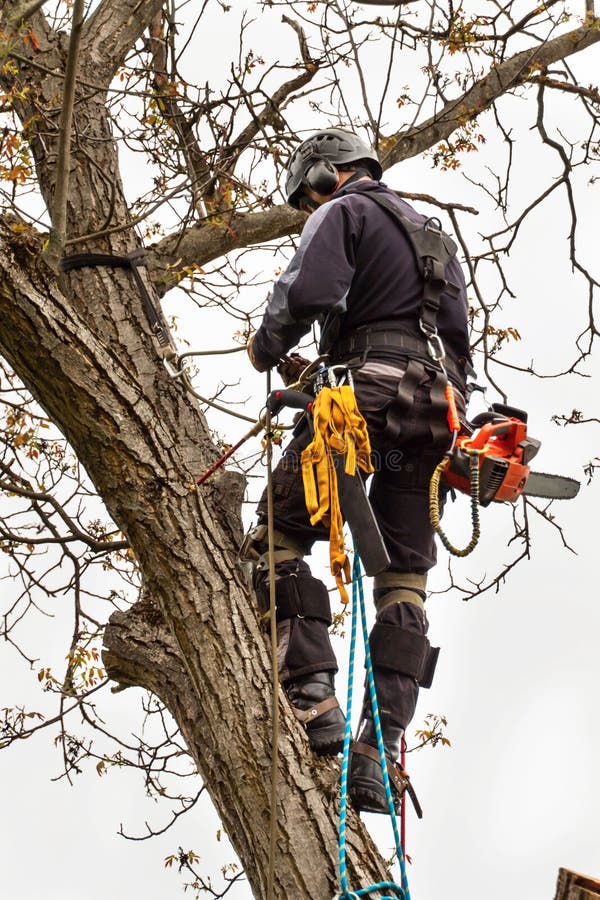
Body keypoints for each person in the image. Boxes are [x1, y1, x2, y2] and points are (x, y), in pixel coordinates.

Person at [244, 128, 472, 813]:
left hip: (363, 398)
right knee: (404, 580)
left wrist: (267, 344)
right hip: (436, 412)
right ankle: (382, 746)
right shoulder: (436, 239)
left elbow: (306, 290)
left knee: (275, 540)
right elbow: (453, 345)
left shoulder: (345, 210)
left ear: (326, 172)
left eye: (309, 191)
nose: (311, 201)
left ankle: (314, 696)